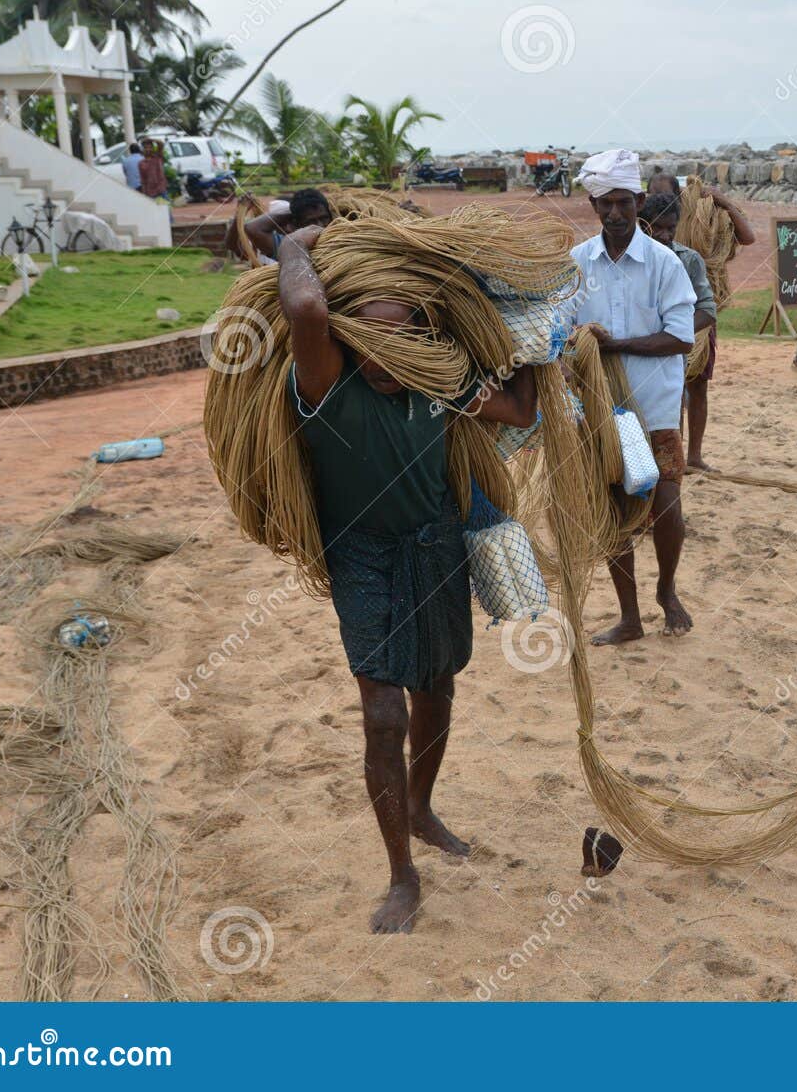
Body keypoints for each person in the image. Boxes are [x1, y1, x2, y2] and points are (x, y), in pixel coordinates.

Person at [279, 223, 536, 933]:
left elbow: (519, 410)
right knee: (383, 715)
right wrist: (293, 244)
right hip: (362, 555)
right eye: (369, 336)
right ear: (346, 335)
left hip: (436, 544)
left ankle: (420, 806)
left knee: (437, 686)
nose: (384, 355)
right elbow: (306, 308)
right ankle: (401, 874)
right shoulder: (325, 383)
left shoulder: (438, 383)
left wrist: (538, 346)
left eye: (401, 337)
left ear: (424, 335)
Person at [569, 148, 697, 644]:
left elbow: (681, 337)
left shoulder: (665, 263)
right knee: (615, 507)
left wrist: (615, 346)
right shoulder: (577, 263)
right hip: (601, 410)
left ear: (640, 202)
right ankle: (630, 617)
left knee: (666, 503)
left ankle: (667, 589)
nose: (615, 213)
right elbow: (560, 333)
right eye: (605, 203)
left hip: (657, 407)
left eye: (623, 202)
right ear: (593, 205)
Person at [644, 171, 754, 471]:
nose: (661, 201)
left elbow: (748, 237)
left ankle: (693, 456)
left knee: (697, 386)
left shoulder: (699, 217)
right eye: (654, 195)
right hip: (659, 319)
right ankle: (672, 455)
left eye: (667, 196)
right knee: (670, 389)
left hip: (699, 313)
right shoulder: (643, 226)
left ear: (680, 196)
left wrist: (722, 201)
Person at [639, 193, 718, 445]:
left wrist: (675, 332)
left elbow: (707, 309)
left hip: (671, 357)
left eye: (670, 228)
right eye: (658, 228)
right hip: (633, 354)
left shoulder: (688, 260)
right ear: (643, 225)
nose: (665, 235)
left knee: (669, 419)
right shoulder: (628, 259)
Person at [231, 188, 334, 263]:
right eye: (311, 221)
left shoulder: (340, 235)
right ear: (297, 224)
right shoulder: (289, 247)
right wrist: (293, 212)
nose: (320, 226)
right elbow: (252, 228)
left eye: (324, 218)